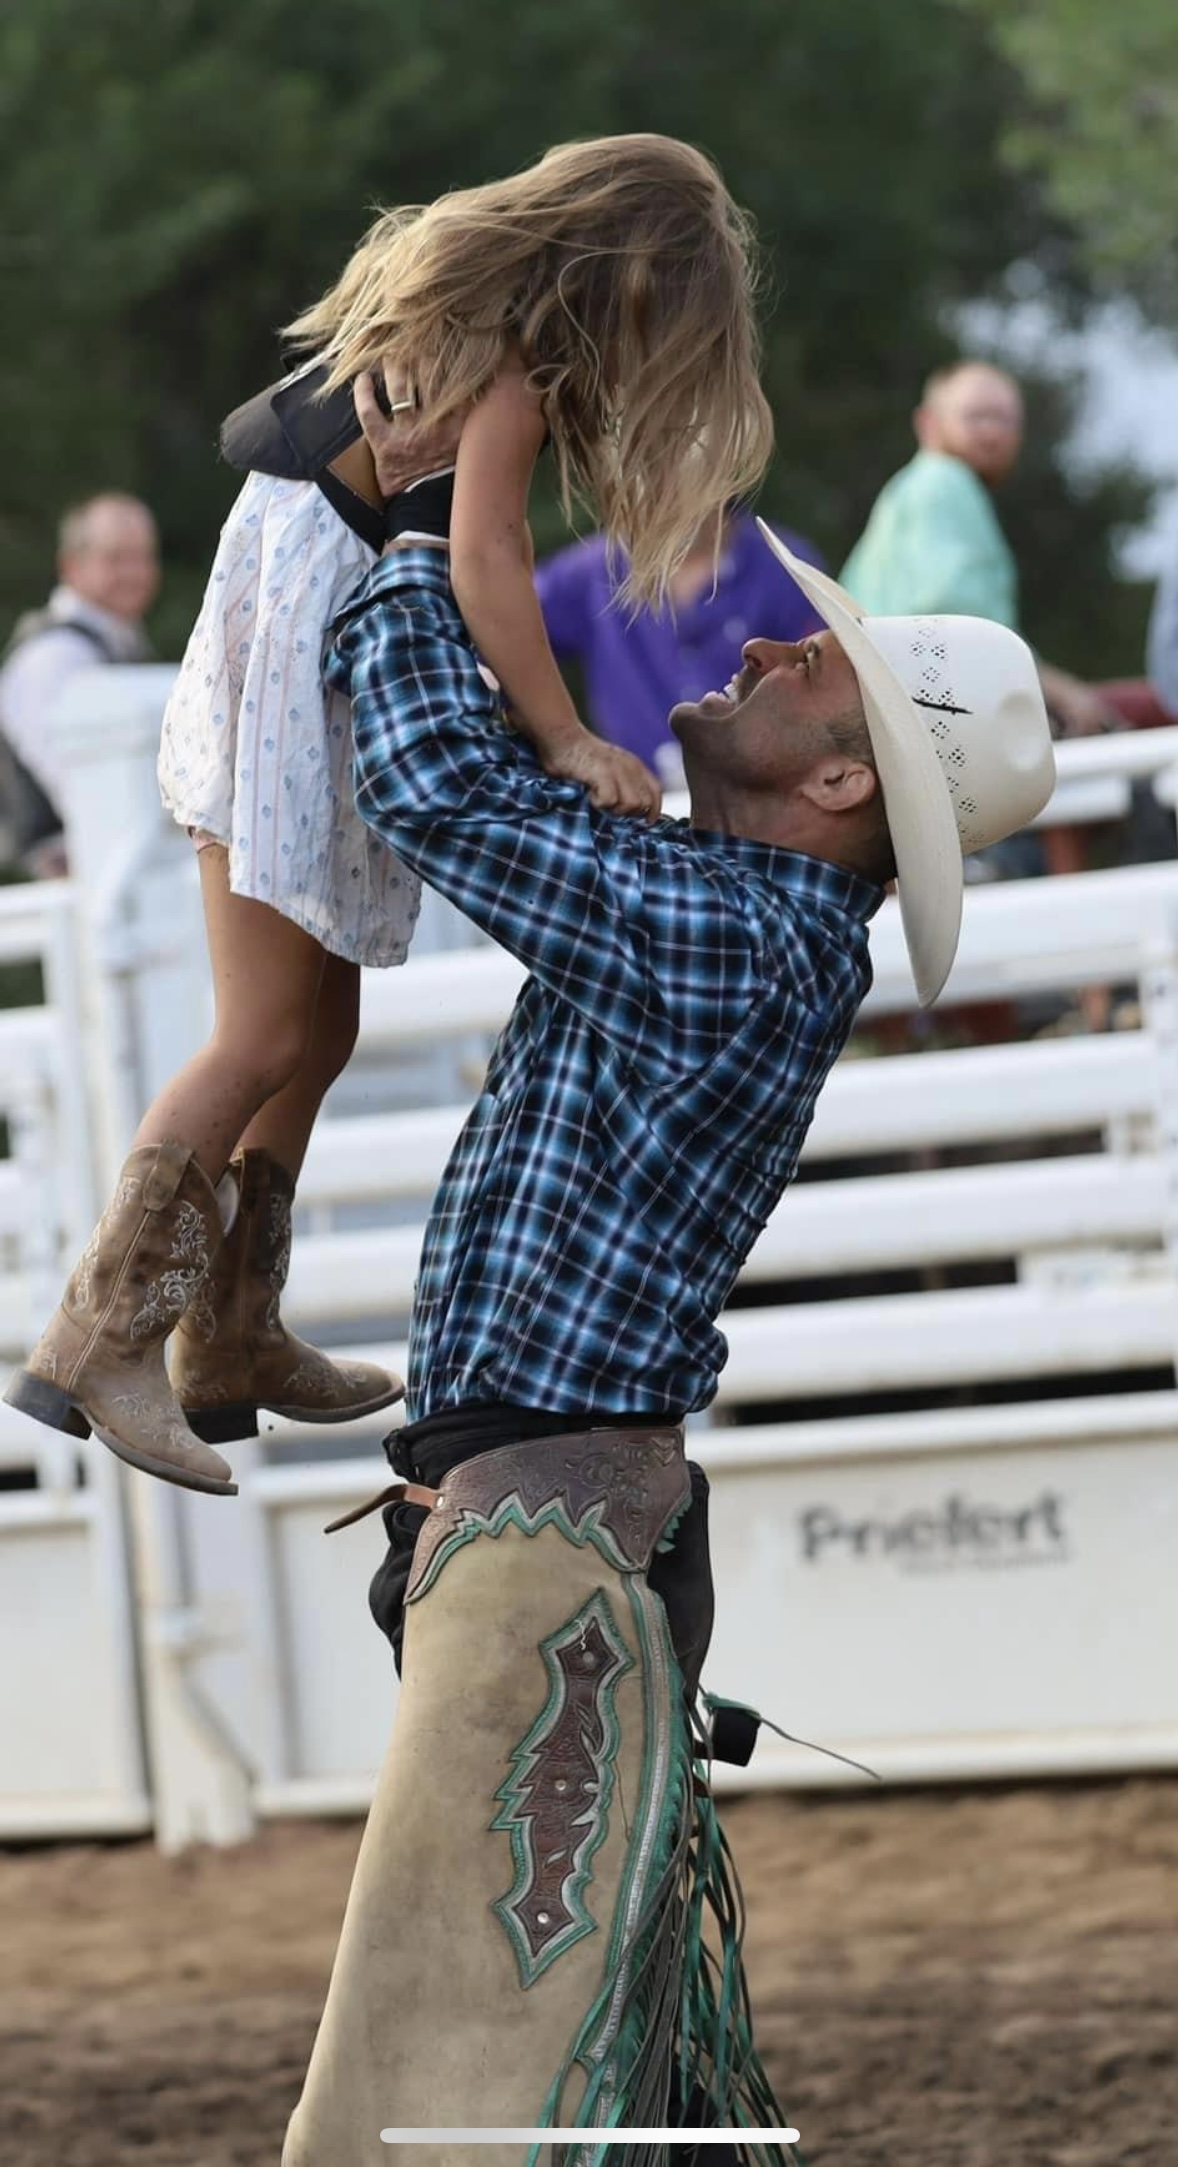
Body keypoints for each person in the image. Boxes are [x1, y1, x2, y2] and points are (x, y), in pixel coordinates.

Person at [279, 384, 1056, 2160]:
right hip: (548, 1534)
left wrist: (402, 528)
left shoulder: (731, 929)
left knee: (443, 2096)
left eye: (820, 663)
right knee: (519, 2080)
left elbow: (430, 788)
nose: (775, 637)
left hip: (537, 1547)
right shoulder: (753, 921)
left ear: (846, 777)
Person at [4, 133, 773, 1501]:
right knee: (259, 1030)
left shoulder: (443, 334)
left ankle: (229, 1329)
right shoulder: (502, 370)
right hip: (295, 660)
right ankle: (100, 1336)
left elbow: (462, 540)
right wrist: (563, 733)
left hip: (287, 629)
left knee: (325, 1018)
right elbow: (485, 559)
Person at [535, 505, 827, 787]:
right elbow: (500, 632)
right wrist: (561, 738)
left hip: (758, 796)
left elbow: (821, 697)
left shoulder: (786, 567)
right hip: (634, 807)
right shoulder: (592, 570)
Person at [0, 494, 159, 876]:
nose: (135, 573)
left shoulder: (121, 644)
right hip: (56, 897)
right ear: (71, 566)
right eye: (116, 558)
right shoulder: (53, 658)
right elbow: (87, 795)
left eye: (144, 556)